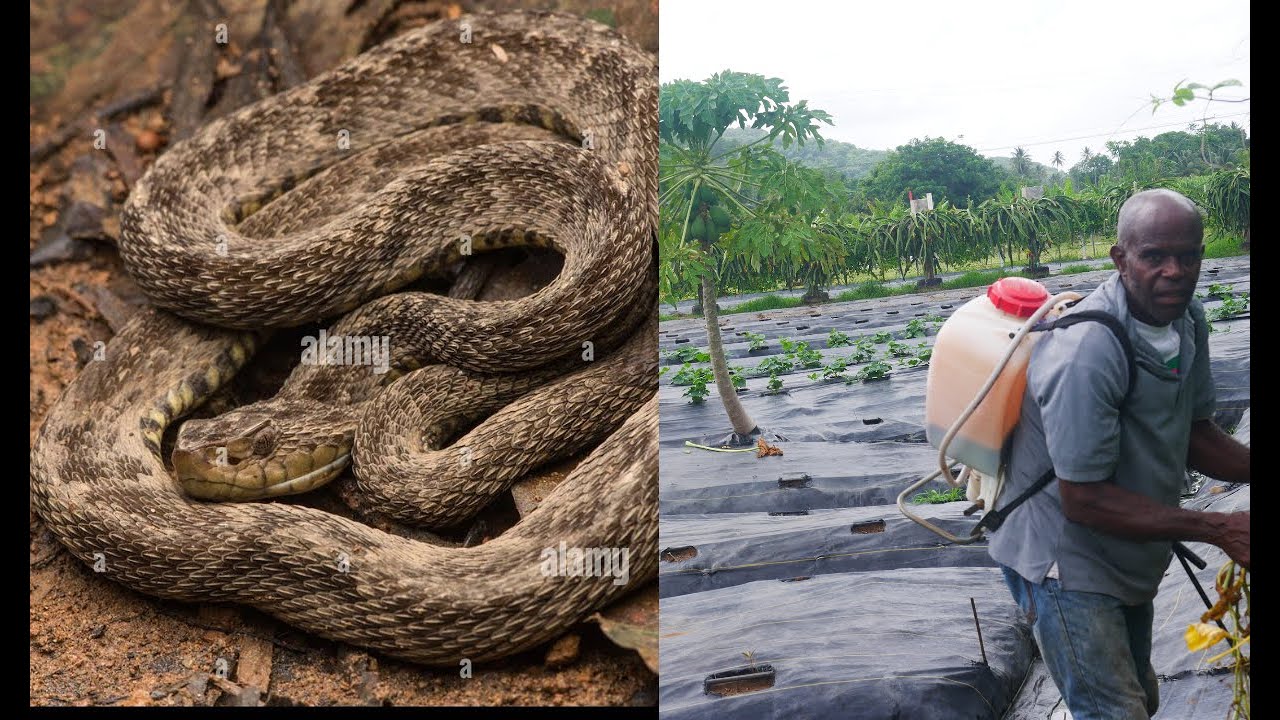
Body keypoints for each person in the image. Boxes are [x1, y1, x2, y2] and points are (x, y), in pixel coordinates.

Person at [986, 188, 1250, 720]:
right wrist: (1220, 529)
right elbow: (1083, 501)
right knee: (1114, 712)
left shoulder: (1186, 320)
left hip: (1127, 545)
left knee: (1140, 700)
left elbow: (1195, 435)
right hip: (1065, 560)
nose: (1175, 271)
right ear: (1121, 258)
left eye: (1189, 255)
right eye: (1155, 256)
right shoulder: (1088, 350)